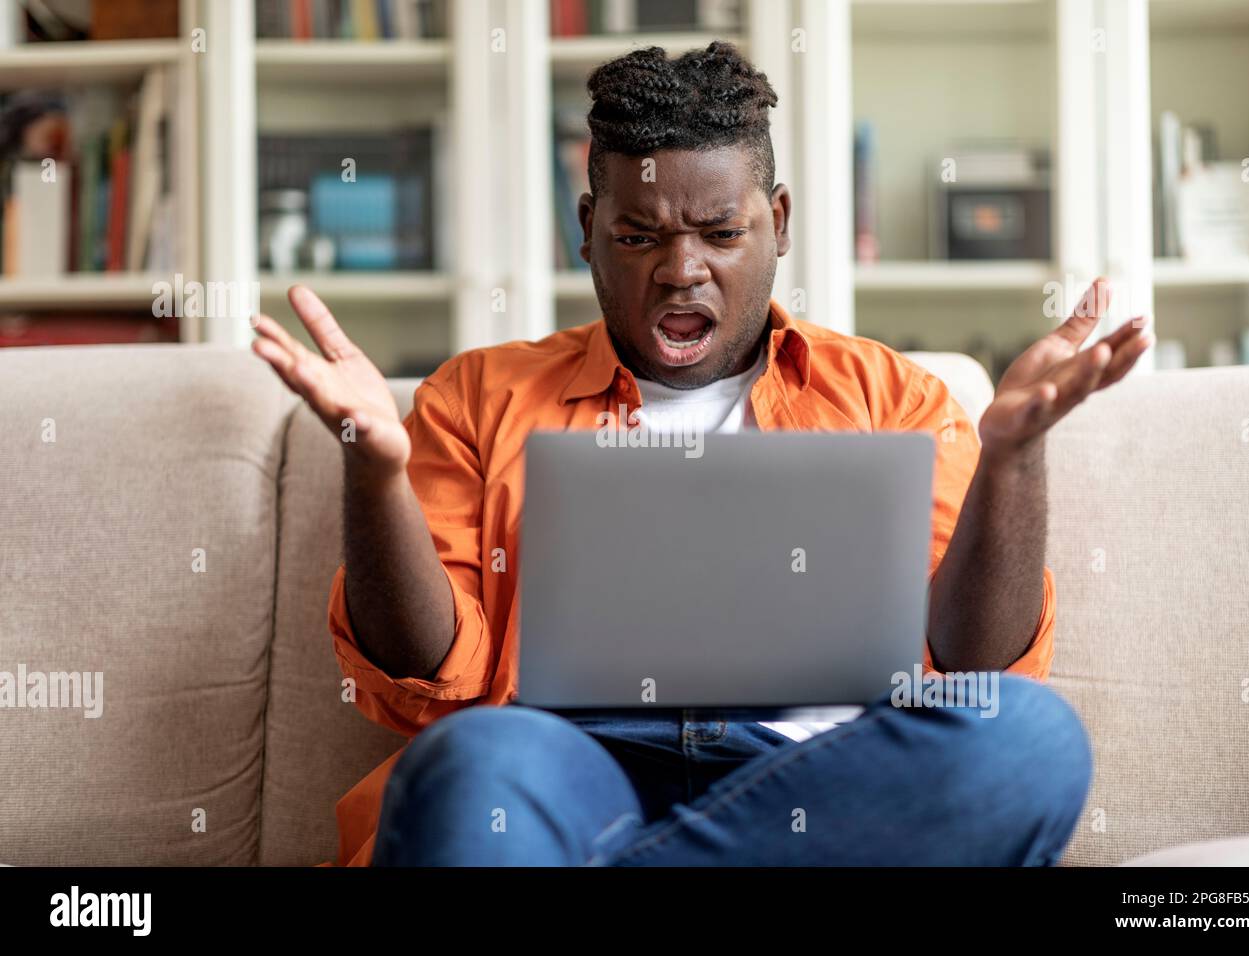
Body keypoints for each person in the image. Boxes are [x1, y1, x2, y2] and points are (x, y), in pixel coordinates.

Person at [250, 41, 1150, 866]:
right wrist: (373, 471)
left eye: (721, 233)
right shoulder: (476, 398)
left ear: (779, 221)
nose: (681, 270)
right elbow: (424, 686)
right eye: (639, 236)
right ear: (589, 227)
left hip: (815, 780)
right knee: (472, 761)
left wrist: (1014, 458)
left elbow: (972, 671)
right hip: (567, 768)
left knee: (1024, 736)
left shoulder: (894, 398)